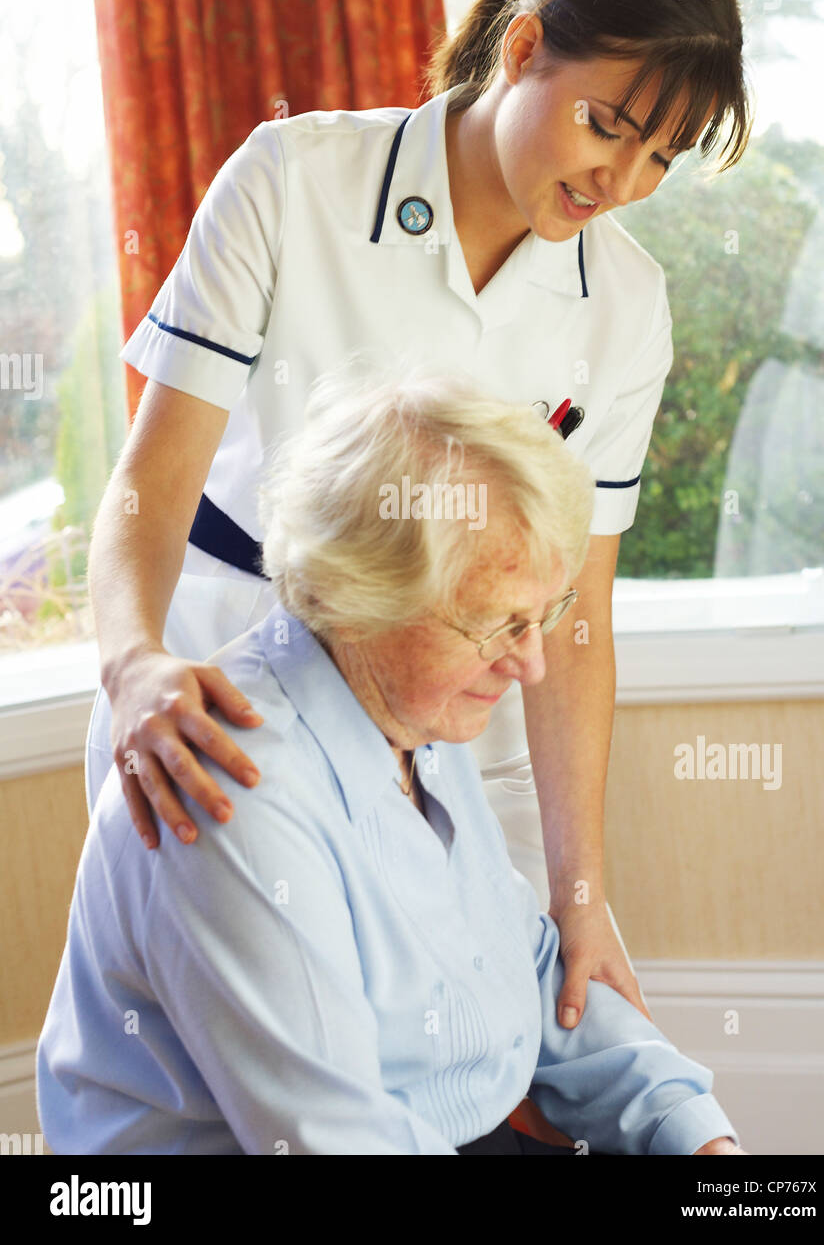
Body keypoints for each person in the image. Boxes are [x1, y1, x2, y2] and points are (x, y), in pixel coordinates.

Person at [84, 0, 752, 1032]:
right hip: (237, 690)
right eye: (605, 127)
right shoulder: (295, 179)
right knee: (262, 1066)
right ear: (523, 48)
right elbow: (149, 479)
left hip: (455, 722)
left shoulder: (625, 306)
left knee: (500, 1054)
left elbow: (577, 612)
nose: (620, 180)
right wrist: (134, 665)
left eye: (659, 160)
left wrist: (579, 888)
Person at [39, 368, 746, 1155]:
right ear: (357, 599)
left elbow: (532, 972)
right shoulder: (235, 786)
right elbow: (336, 1139)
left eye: (544, 616)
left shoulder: (414, 714)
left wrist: (693, 1135)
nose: (531, 665)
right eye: (495, 624)